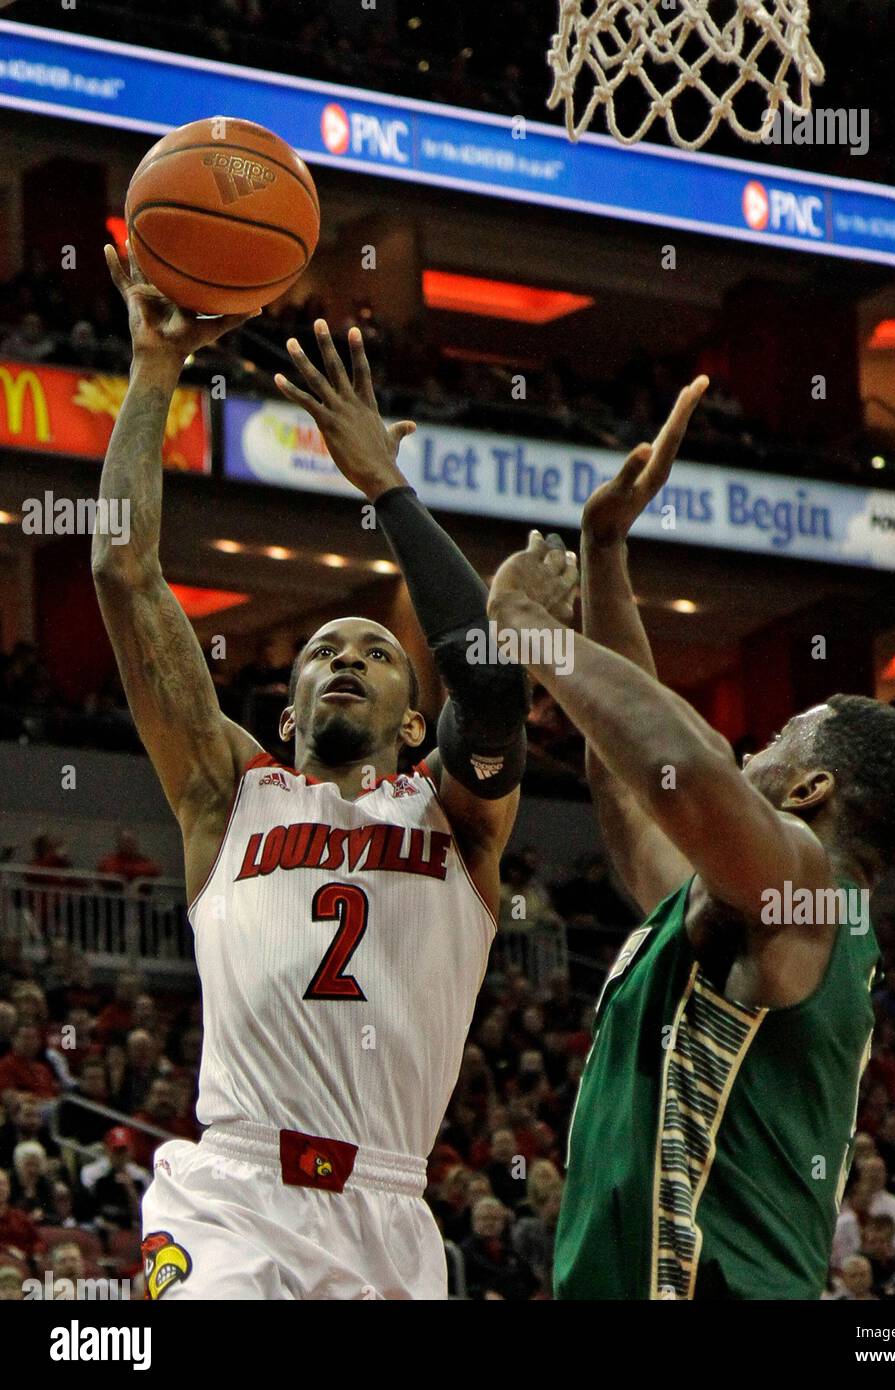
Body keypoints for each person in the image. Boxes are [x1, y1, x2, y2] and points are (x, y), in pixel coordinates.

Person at [92, 247, 529, 1300]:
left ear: (415, 715)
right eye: (322, 652)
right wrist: (154, 370)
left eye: (374, 651)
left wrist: (385, 485)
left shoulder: (456, 816)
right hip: (231, 1196)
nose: (345, 657)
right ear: (283, 709)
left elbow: (495, 686)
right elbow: (120, 568)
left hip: (387, 1210)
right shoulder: (225, 792)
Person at [486, 379, 895, 1300]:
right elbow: (634, 784)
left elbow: (688, 768)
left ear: (814, 790)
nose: (752, 748)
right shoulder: (746, 906)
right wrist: (607, 552)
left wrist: (528, 628)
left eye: (776, 742)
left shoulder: (805, 891)